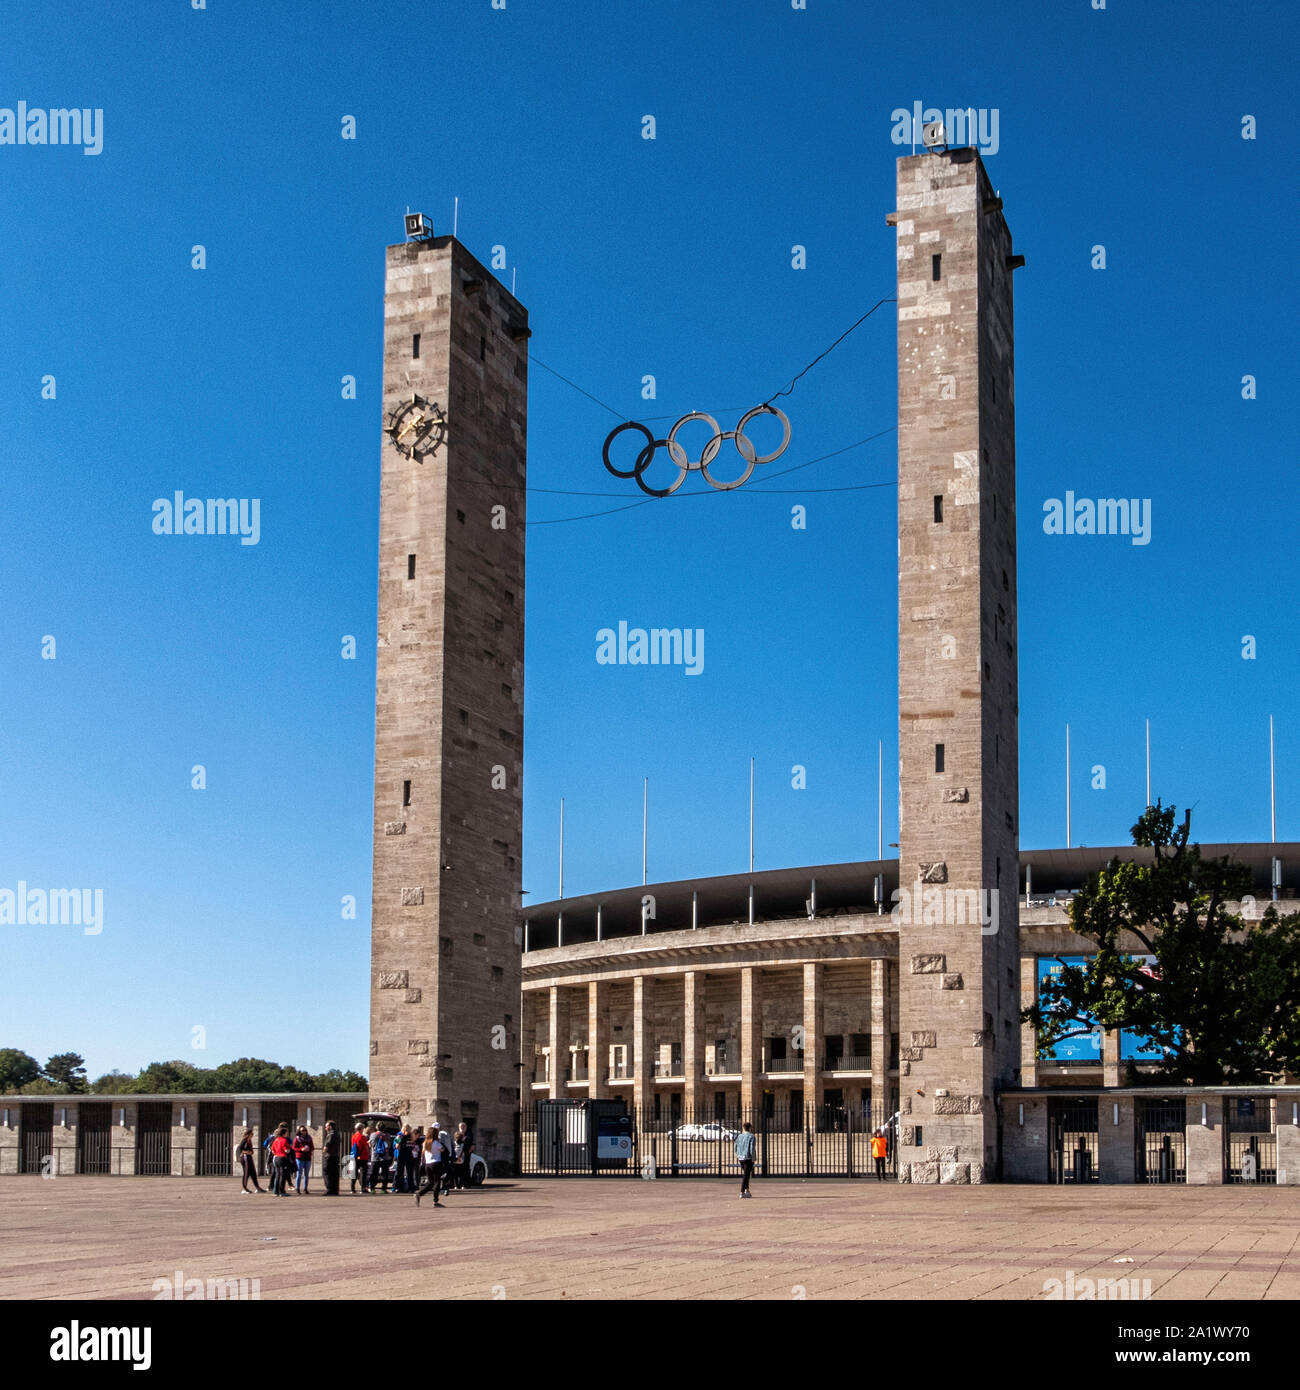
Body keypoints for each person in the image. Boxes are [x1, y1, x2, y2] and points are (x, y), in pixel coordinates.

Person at [414, 1128, 447, 1207]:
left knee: (431, 1183)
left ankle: (419, 1193)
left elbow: (422, 1153)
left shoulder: (425, 1143)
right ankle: (435, 1201)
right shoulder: (436, 1143)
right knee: (437, 1182)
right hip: (436, 1163)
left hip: (427, 1165)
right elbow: (443, 1150)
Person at [270, 1124, 294, 1197]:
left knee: (277, 1175)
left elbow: (272, 1150)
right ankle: (282, 1191)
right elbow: (286, 1150)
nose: (288, 1134)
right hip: (282, 1158)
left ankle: (275, 1191)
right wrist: (289, 1151)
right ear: (284, 1133)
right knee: (282, 1175)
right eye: (286, 1132)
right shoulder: (284, 1140)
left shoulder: (276, 1140)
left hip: (276, 1158)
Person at [734, 1121, 756, 1198]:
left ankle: (747, 1190)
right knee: (746, 1175)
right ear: (750, 1128)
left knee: (746, 1174)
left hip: (741, 1157)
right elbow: (751, 1148)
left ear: (743, 1128)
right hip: (748, 1157)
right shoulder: (751, 1136)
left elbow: (735, 1146)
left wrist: (738, 1154)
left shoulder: (739, 1136)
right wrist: (753, 1158)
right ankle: (742, 1192)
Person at [236, 1129, 262, 1194]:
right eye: (251, 1134)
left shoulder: (249, 1141)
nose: (252, 1135)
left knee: (253, 1172)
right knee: (246, 1173)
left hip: (249, 1157)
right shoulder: (244, 1141)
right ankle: (244, 1188)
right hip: (245, 1158)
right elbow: (240, 1148)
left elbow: (251, 1150)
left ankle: (257, 1187)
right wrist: (246, 1152)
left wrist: (251, 1152)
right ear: (248, 1134)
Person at [369, 1126, 392, 1194]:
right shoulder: (387, 1135)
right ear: (384, 1128)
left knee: (374, 1173)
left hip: (375, 1157)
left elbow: (371, 1145)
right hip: (385, 1157)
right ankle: (383, 1189)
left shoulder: (373, 1135)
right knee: (385, 1174)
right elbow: (389, 1145)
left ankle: (372, 1189)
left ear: (376, 1127)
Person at [350, 1123, 371, 1195]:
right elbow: (365, 1147)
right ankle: (363, 1188)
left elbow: (353, 1146)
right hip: (363, 1157)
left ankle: (352, 1188)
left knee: (354, 1172)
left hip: (355, 1156)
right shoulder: (363, 1137)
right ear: (362, 1129)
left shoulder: (353, 1136)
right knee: (363, 1173)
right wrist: (369, 1153)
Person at [292, 1125, 314, 1193]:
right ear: (299, 1131)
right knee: (299, 1173)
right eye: (302, 1131)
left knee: (306, 1174)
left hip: (307, 1158)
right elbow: (294, 1148)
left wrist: (309, 1149)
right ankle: (297, 1188)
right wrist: (301, 1149)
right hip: (300, 1158)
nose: (303, 1132)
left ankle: (305, 1188)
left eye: (304, 1130)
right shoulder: (297, 1139)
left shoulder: (309, 1138)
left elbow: (312, 1147)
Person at [392, 1125, 413, 1194]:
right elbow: (396, 1146)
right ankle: (409, 1187)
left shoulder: (400, 1136)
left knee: (400, 1171)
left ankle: (398, 1187)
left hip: (402, 1155)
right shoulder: (408, 1136)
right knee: (407, 1172)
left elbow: (396, 1146)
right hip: (407, 1155)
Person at [451, 1122, 472, 1190]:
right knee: (462, 1172)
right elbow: (466, 1149)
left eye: (463, 1127)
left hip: (456, 1159)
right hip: (462, 1158)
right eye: (461, 1127)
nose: (462, 1128)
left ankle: (456, 1185)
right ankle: (462, 1185)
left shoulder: (454, 1143)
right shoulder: (464, 1142)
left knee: (456, 1173)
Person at [322, 1121, 340, 1196]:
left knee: (327, 1173)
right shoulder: (337, 1134)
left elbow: (326, 1147)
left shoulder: (330, 1135)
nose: (325, 1128)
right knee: (335, 1174)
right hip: (336, 1156)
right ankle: (335, 1190)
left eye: (326, 1126)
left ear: (330, 1127)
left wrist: (324, 1149)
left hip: (329, 1156)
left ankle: (329, 1189)